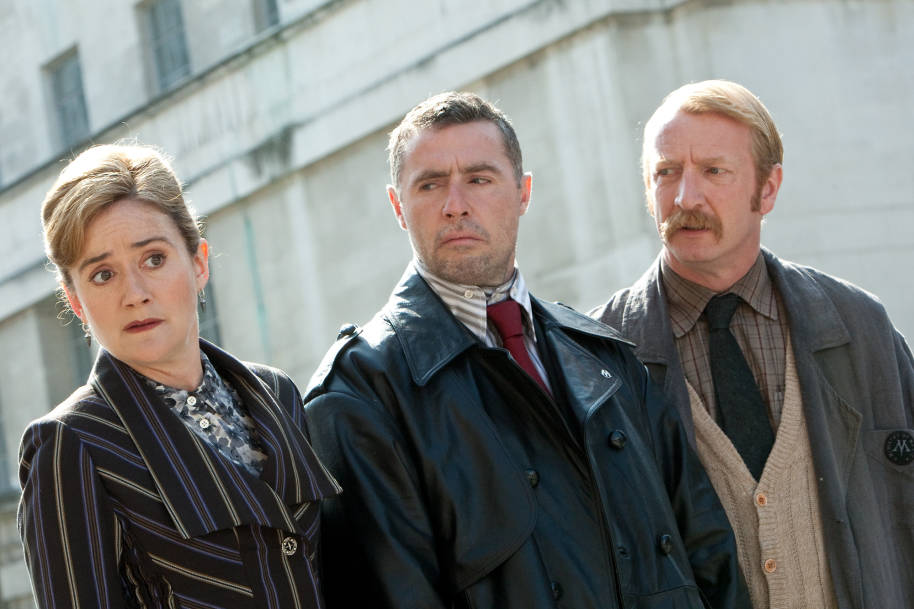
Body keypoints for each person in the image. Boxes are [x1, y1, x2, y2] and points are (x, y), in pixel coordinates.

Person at [303, 91, 748, 608]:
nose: (455, 204)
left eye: (479, 178)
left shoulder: (605, 359)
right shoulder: (358, 394)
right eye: (430, 184)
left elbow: (710, 557)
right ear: (399, 207)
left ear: (523, 192)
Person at [592, 79, 914, 608]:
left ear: (767, 189)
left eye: (713, 171)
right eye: (666, 172)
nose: (685, 197)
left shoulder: (861, 328)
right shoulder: (598, 359)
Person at [18, 144, 341, 609]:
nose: (135, 294)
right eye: (103, 274)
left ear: (198, 262)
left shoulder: (276, 393)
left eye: (153, 259)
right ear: (76, 302)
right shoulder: (69, 444)